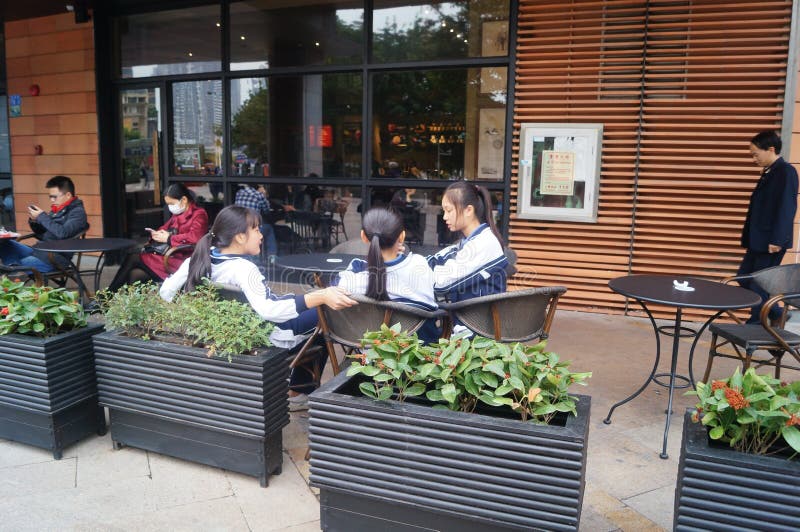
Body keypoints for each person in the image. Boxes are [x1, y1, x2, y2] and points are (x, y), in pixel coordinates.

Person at [159, 205, 356, 410]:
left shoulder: (197, 260)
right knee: (325, 313)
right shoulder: (244, 269)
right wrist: (321, 295)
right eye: (256, 229)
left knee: (315, 311)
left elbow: (165, 293)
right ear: (240, 237)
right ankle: (301, 390)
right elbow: (269, 310)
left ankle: (299, 389)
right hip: (268, 333)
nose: (261, 235)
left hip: (233, 332)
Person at [336, 208, 438, 342]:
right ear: (401, 236)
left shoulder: (355, 281)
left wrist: (360, 265)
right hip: (422, 353)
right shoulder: (420, 265)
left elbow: (338, 285)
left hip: (376, 354)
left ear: (363, 237)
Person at [738, 130, 799, 324]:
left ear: (770, 149)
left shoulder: (786, 171)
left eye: (756, 154)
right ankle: (776, 313)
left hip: (771, 241)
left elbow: (786, 207)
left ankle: (755, 325)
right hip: (758, 240)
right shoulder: (770, 172)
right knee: (743, 278)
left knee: (759, 286)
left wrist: (778, 239)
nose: (753, 159)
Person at [107, 183, 208, 291]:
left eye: (172, 203)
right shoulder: (178, 214)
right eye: (168, 204)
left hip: (184, 261)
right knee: (134, 274)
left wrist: (169, 239)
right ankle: (112, 301)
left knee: (134, 257)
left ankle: (105, 297)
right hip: (172, 256)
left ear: (183, 199)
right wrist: (156, 234)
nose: (170, 207)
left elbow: (195, 238)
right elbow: (164, 228)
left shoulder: (199, 214)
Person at [427, 181, 508, 304]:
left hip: (477, 321)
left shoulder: (483, 244)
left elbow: (441, 283)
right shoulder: (469, 241)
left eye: (448, 211)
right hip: (467, 317)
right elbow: (435, 260)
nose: (444, 217)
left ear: (469, 210)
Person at [0, 175, 88, 273]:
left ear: (68, 195)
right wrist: (34, 221)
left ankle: (13, 271)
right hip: (39, 252)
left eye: (54, 197)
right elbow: (41, 234)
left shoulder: (77, 213)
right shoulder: (57, 210)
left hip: (54, 259)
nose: (52, 200)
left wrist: (42, 216)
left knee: (19, 264)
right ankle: (13, 270)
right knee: (5, 245)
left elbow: (63, 233)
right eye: (50, 197)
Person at [234, 183, 278, 259]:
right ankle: (272, 256)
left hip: (239, 227)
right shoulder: (258, 195)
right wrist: (264, 195)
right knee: (269, 228)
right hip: (252, 227)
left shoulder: (239, 193)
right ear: (258, 187)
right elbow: (267, 210)